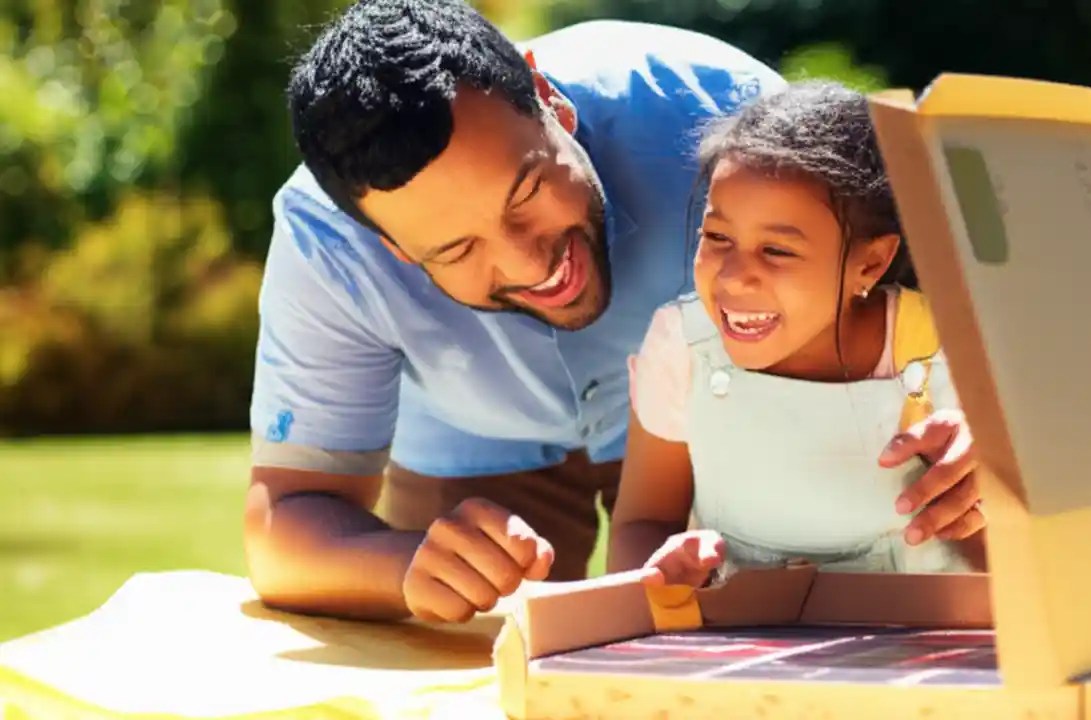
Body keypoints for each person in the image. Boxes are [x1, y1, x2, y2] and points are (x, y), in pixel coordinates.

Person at [246, 0, 982, 627]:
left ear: (549, 101)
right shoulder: (327, 244)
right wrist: (405, 561)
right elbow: (282, 527)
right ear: (391, 247)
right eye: (457, 248)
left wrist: (988, 428)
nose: (530, 263)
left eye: (528, 193)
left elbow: (917, 311)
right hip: (469, 454)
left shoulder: (728, 113)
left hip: (708, 435)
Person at [608, 81, 987, 587]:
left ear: (870, 263)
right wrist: (655, 580)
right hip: (748, 654)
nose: (733, 277)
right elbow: (643, 520)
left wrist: (993, 484)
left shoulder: (951, 349)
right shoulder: (683, 346)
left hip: (916, 648)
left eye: (778, 251)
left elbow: (1011, 554)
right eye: (718, 237)